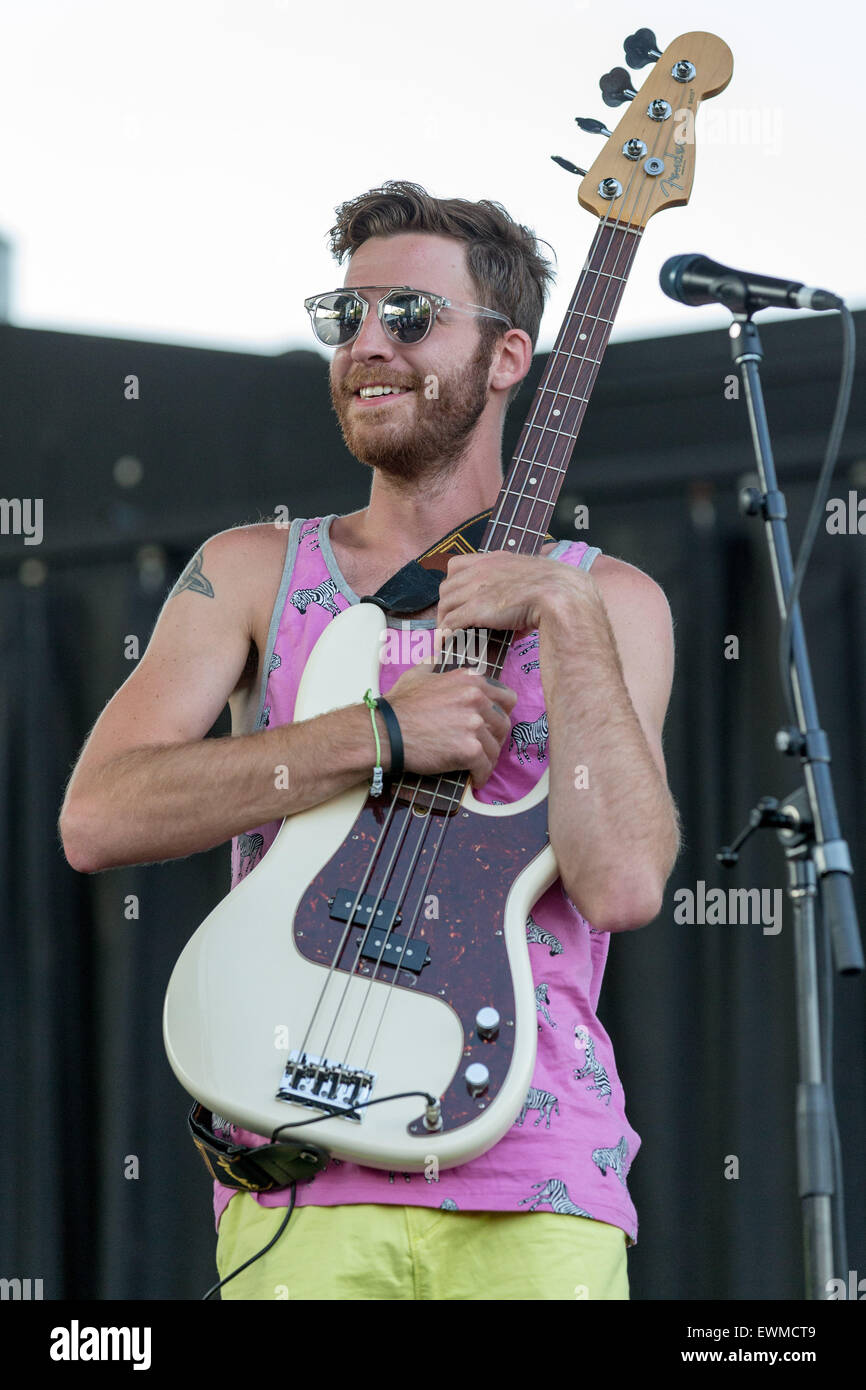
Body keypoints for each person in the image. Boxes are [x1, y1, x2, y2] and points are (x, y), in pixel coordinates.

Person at [60, 180, 681, 1301]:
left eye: (408, 315)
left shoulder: (609, 601)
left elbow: (624, 880)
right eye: (344, 317)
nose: (366, 344)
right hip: (300, 1170)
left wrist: (567, 619)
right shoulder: (252, 570)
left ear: (505, 359)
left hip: (537, 1177)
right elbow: (98, 816)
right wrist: (376, 734)